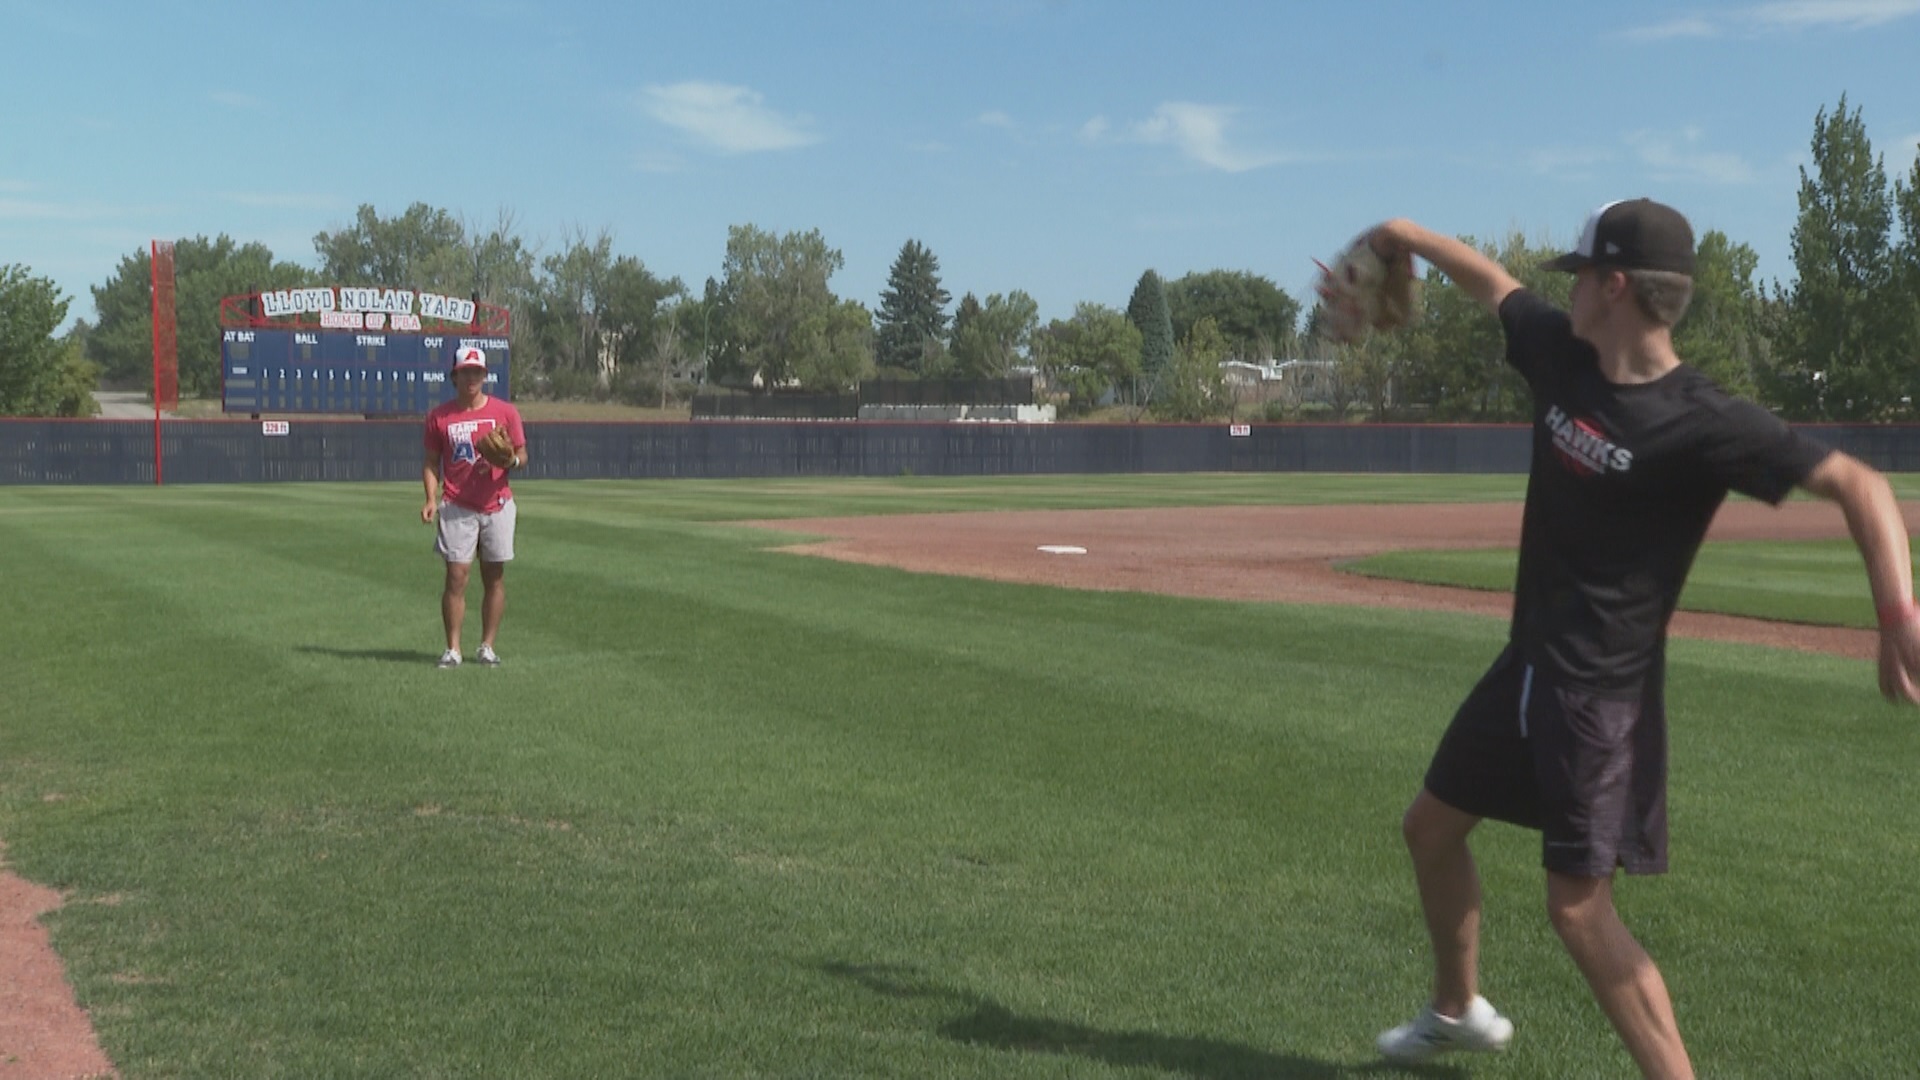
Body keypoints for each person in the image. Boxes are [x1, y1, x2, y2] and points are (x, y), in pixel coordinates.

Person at [1362, 199, 1920, 1078]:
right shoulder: (1560, 354)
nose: (1567, 288)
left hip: (1598, 701)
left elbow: (1861, 484)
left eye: (1580, 274)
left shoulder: (1704, 421)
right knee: (1430, 829)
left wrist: (1897, 617)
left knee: (1581, 912)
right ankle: (1456, 1008)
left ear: (1613, 286)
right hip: (1526, 668)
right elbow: (1491, 283)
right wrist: (1403, 235)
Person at [422, 345, 528, 669]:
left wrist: (510, 459)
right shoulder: (440, 416)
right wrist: (430, 497)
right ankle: (453, 649)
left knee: (493, 576)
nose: (472, 377)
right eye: (466, 371)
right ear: (455, 376)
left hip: (496, 504)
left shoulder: (505, 412)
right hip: (457, 504)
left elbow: (522, 456)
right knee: (456, 576)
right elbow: (430, 462)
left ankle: (487, 647)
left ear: (485, 376)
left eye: (477, 372)